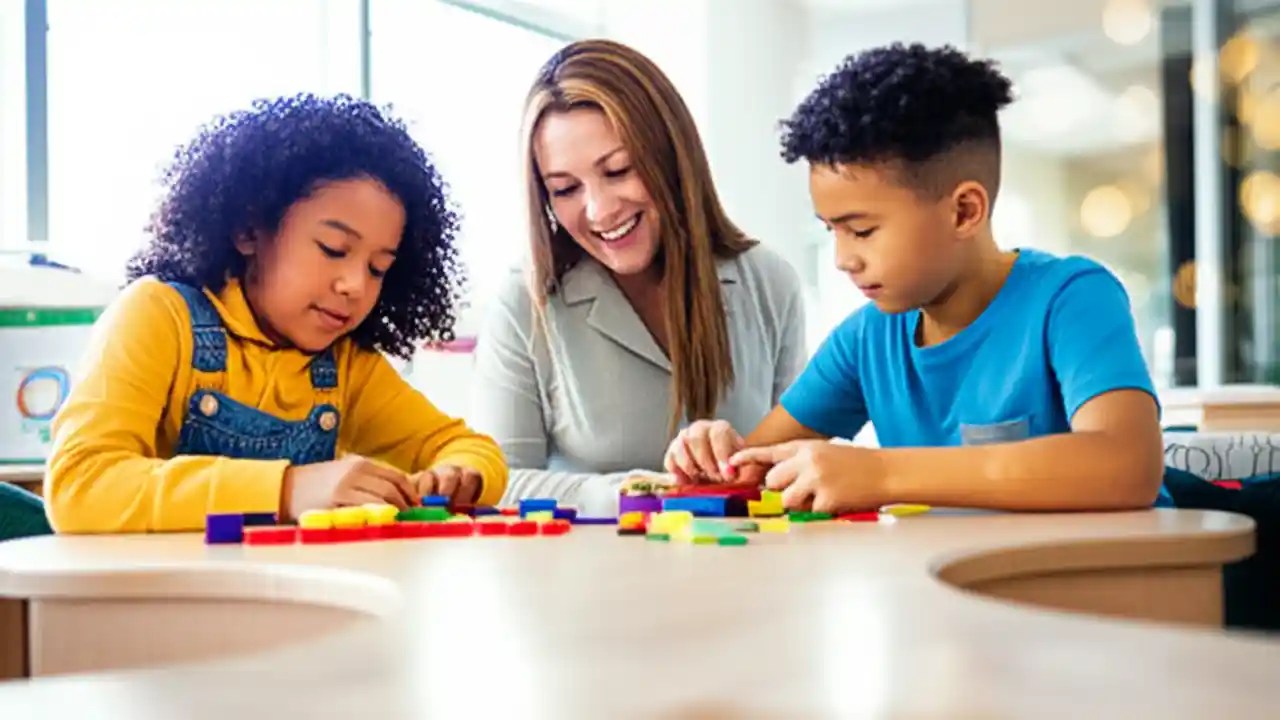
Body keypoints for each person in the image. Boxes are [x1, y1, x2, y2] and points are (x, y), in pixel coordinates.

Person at [668, 43, 1164, 513]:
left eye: (862, 231)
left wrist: (881, 473)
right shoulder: (866, 339)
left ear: (964, 211)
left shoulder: (1071, 298)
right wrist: (714, 456)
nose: (843, 259)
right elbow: (752, 470)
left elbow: (1128, 466)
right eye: (831, 231)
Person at [44, 94, 507, 533]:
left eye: (378, 268)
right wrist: (287, 489)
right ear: (249, 230)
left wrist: (457, 476)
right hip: (161, 590)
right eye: (333, 249)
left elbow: (472, 448)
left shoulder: (347, 367)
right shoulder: (158, 314)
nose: (355, 285)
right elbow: (80, 485)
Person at [470, 39, 807, 515]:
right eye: (564, 189)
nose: (599, 210)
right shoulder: (525, 301)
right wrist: (640, 494)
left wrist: (747, 464)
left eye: (619, 170)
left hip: (742, 559)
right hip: (589, 561)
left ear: (671, 155)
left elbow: (799, 469)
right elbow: (498, 483)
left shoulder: (770, 283)